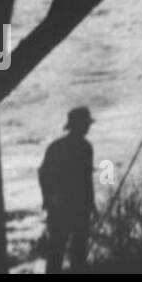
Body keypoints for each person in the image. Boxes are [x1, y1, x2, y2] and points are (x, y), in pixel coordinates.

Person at [38, 106, 95, 273]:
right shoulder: (78, 147)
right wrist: (51, 196)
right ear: (77, 125)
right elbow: (44, 174)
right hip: (64, 208)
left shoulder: (84, 147)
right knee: (60, 250)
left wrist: (91, 204)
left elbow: (86, 178)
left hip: (75, 207)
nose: (88, 127)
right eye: (85, 123)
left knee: (73, 251)